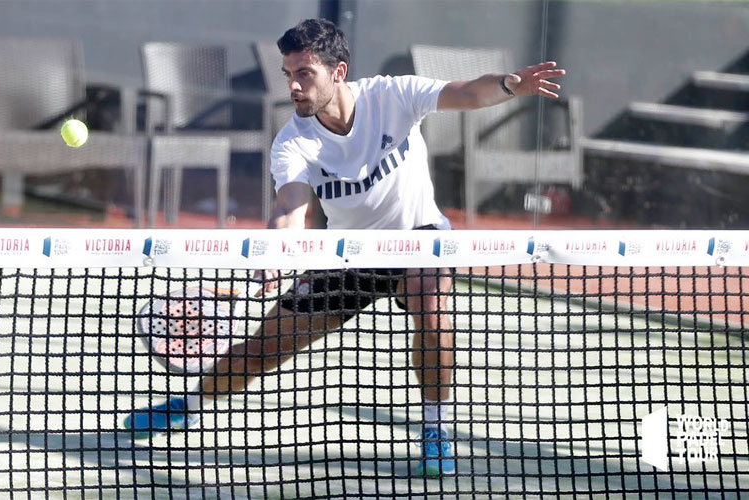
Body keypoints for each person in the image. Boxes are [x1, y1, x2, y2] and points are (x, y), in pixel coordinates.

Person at [125, 18, 565, 477]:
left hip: (419, 237)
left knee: (430, 305)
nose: (294, 85)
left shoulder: (391, 95)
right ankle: (191, 403)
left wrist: (511, 86)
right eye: (287, 74)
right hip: (348, 256)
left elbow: (469, 93)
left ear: (338, 72)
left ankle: (436, 429)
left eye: (304, 73)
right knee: (262, 351)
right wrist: (278, 253)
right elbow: (291, 208)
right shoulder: (294, 142)